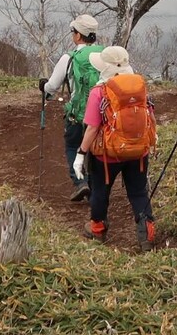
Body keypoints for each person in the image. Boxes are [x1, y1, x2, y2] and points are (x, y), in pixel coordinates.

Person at [75, 45, 158, 249]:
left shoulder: (99, 92)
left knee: (100, 192)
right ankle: (146, 234)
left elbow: (92, 128)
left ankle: (98, 229)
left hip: (107, 155)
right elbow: (150, 117)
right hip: (138, 152)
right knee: (138, 193)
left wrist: (81, 153)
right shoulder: (139, 87)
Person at [40, 14, 104, 202]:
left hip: (77, 115)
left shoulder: (69, 58)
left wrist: (43, 87)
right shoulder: (105, 55)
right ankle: (94, 186)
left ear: (78, 35)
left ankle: (80, 182)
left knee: (72, 146)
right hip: (101, 114)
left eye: (73, 31)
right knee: (95, 150)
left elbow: (52, 86)